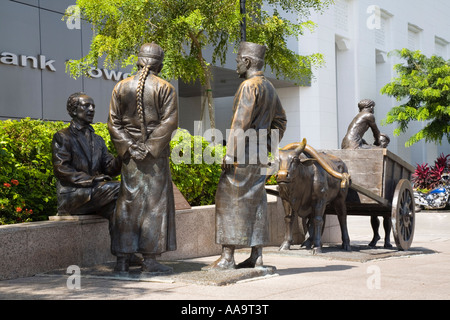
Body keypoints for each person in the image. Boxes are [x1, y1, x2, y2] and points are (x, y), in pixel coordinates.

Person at [207, 41, 287, 270]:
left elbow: (240, 123)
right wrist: (268, 144)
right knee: (256, 200)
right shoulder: (270, 87)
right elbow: (281, 120)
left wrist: (231, 153)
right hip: (260, 155)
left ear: (248, 61)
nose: (236, 64)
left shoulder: (248, 86)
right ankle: (257, 256)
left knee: (227, 200)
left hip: (243, 155)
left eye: (238, 60)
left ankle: (228, 257)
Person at [108, 43, 178, 274]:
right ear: (160, 64)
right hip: (154, 157)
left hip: (130, 158)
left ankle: (122, 261)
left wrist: (129, 147)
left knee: (127, 205)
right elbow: (169, 123)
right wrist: (148, 148)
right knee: (153, 206)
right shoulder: (165, 87)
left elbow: (113, 123)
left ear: (138, 61)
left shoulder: (120, 86)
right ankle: (149, 260)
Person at [52, 92, 121, 219]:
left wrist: (123, 155)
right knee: (122, 188)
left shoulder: (98, 140)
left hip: (96, 193)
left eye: (93, 107)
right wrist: (92, 180)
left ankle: (123, 238)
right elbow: (61, 169)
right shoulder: (63, 136)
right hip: (74, 195)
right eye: (86, 106)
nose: (91, 110)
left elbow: (109, 168)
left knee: (122, 212)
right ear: (73, 110)